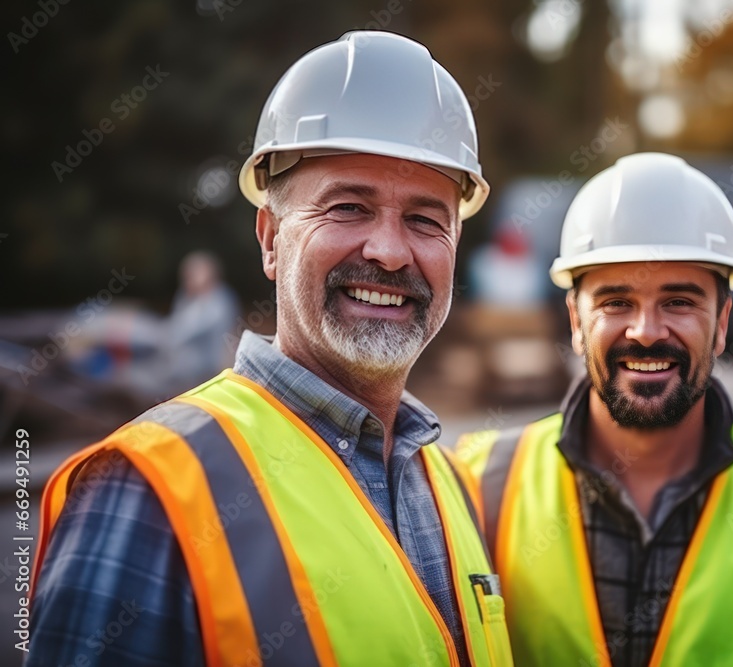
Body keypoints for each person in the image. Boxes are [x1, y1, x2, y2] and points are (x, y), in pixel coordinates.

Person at [29, 32, 512, 667]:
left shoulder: (446, 485)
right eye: (347, 207)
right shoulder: (151, 489)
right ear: (270, 238)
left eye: (426, 219)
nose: (390, 252)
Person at [457, 153, 733, 666]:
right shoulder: (477, 488)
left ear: (723, 321)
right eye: (616, 302)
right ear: (576, 321)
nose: (646, 331)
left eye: (679, 302)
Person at [164, 250, 239, 394]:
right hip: (181, 364)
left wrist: (165, 334)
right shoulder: (186, 297)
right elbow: (175, 325)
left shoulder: (220, 298)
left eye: (194, 273)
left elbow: (187, 332)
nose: (189, 279)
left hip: (208, 366)